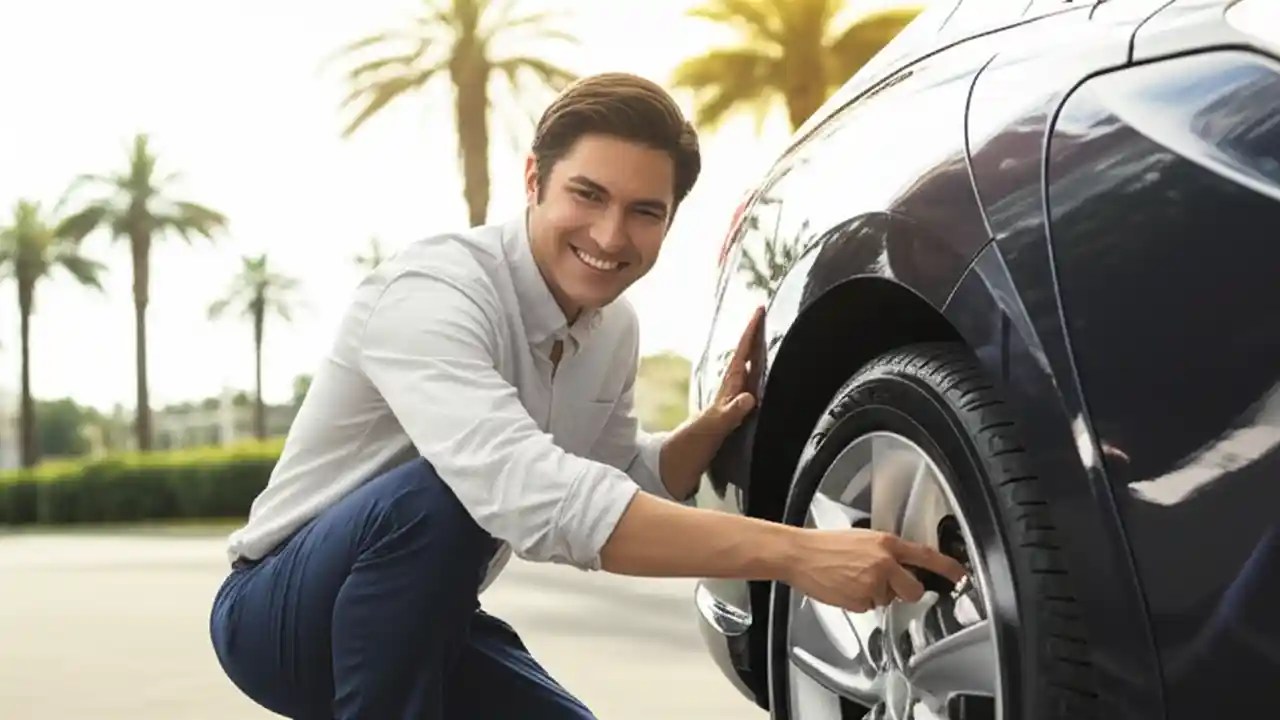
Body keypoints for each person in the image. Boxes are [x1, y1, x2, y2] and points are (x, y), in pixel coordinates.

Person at [208, 72, 965, 720]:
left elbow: (606, 481)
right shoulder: (434, 292)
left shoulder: (611, 329)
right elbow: (527, 492)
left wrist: (704, 432)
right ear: (534, 180)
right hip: (282, 614)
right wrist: (795, 555)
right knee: (443, 493)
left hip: (429, 621)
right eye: (588, 194)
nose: (611, 235)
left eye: (646, 211)